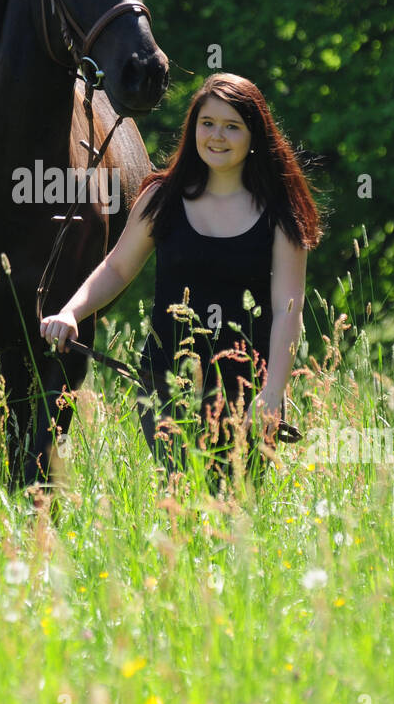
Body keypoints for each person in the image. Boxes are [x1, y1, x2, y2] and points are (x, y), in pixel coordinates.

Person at [39, 73, 323, 480]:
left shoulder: (281, 212)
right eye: (207, 123)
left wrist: (273, 394)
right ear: (193, 129)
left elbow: (287, 308)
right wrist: (71, 312)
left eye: (232, 126)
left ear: (254, 133)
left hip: (245, 389)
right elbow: (117, 267)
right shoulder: (161, 198)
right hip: (165, 382)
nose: (217, 136)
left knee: (232, 503)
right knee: (185, 493)